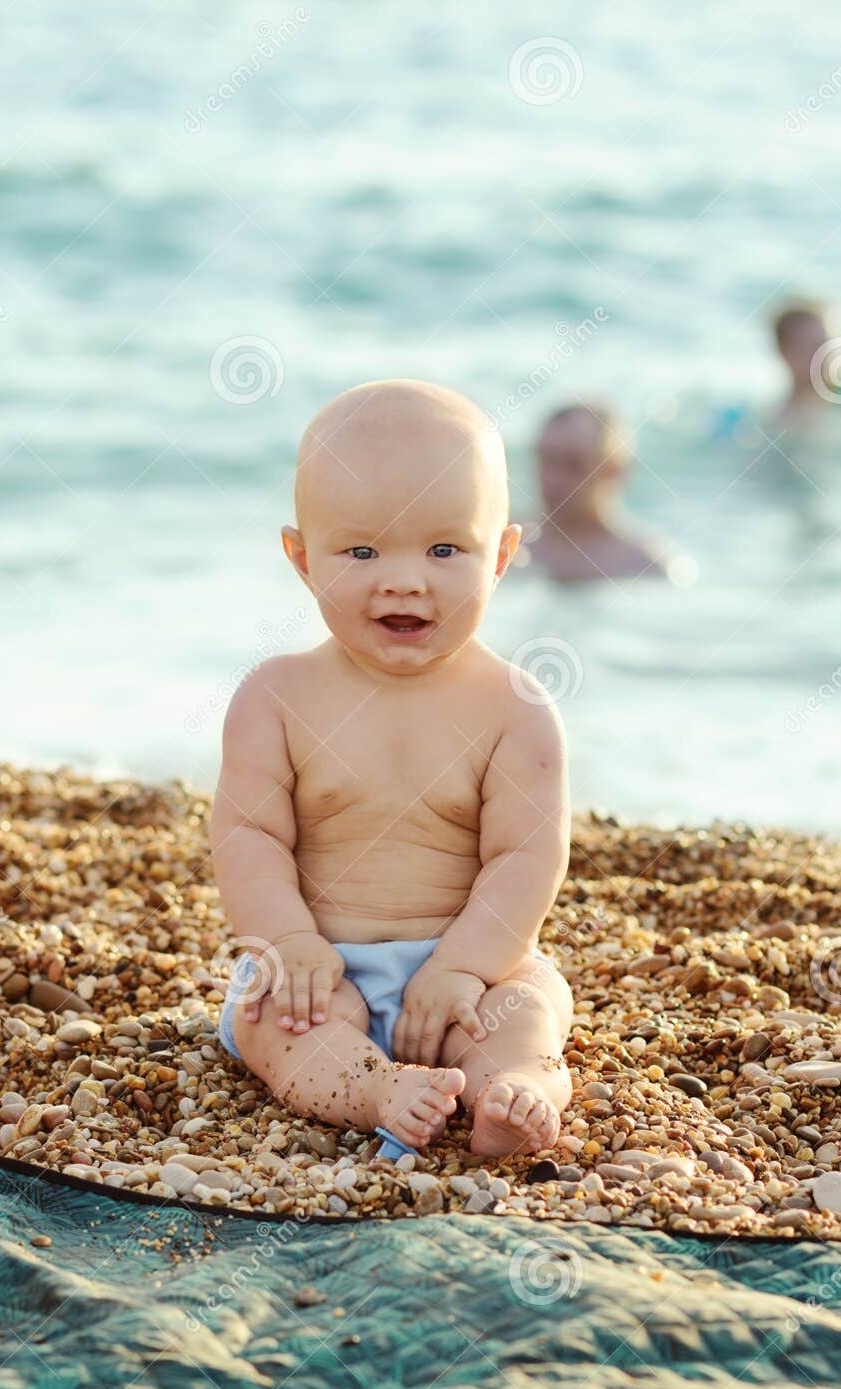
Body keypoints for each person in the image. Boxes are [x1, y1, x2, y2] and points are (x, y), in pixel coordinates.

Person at [209, 379, 574, 1161]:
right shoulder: (276, 696)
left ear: (502, 555)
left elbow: (526, 856)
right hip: (321, 970)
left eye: (445, 550)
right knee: (276, 1019)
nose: (405, 579)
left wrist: (465, 968)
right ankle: (377, 1091)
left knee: (530, 1007)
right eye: (362, 550)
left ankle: (515, 1096)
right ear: (302, 559)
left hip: (469, 969)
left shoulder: (515, 707)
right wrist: (290, 942)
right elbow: (249, 837)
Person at [526, 402, 668, 582]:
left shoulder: (643, 564)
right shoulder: (509, 546)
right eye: (546, 461)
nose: (552, 479)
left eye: (573, 465)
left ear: (614, 471)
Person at [772, 299, 841, 423]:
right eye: (810, 347)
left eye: (824, 345)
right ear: (784, 352)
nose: (821, 356)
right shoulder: (774, 421)